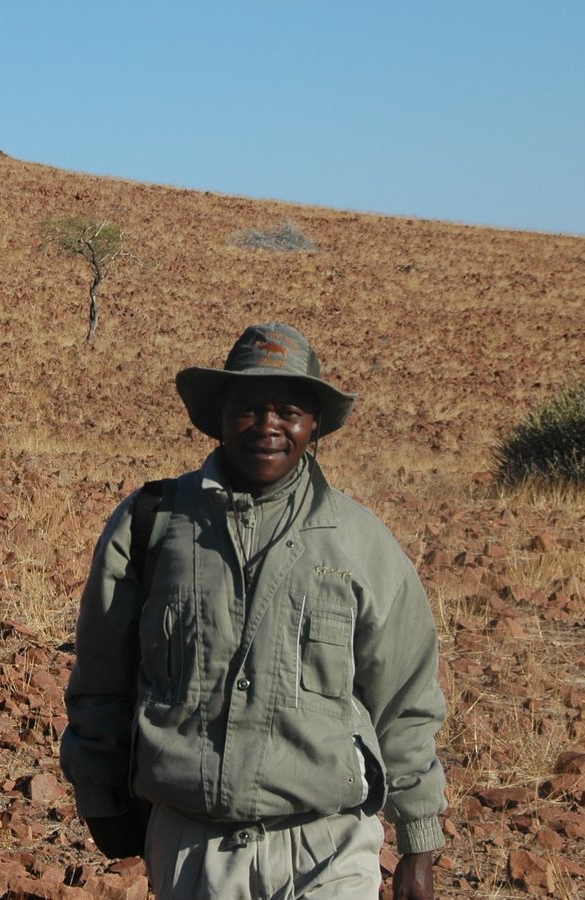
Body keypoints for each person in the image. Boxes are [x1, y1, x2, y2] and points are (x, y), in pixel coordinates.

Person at [60, 323, 447, 899]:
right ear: (219, 417)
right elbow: (101, 675)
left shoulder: (361, 543)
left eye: (289, 411)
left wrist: (418, 838)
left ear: (314, 426)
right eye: (248, 409)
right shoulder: (152, 525)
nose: (268, 426)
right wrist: (98, 790)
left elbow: (405, 699)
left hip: (329, 845)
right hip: (193, 845)